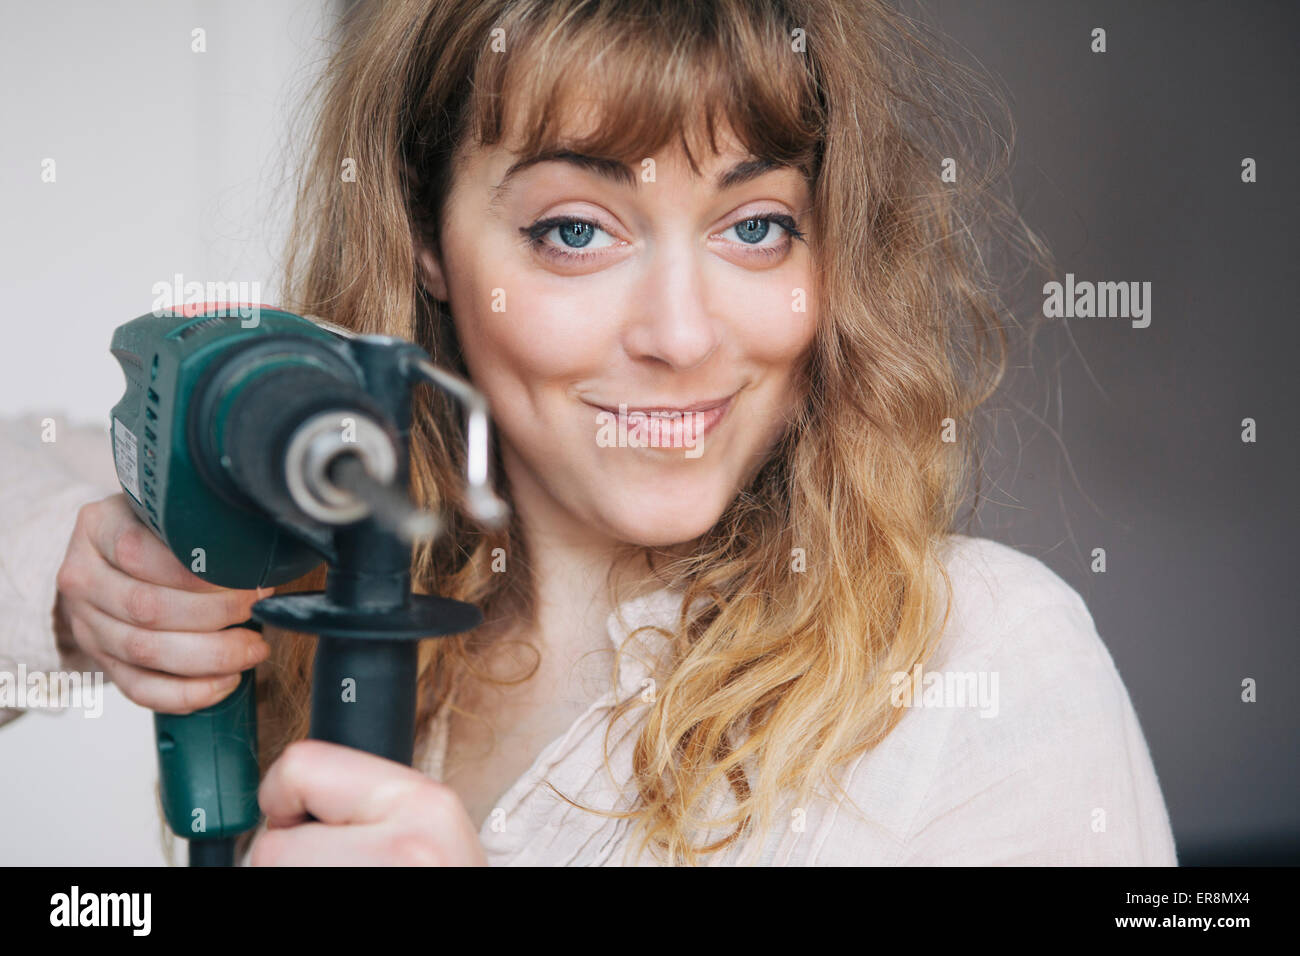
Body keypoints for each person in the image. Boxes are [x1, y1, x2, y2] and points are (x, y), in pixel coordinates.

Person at [2, 0, 1177, 866]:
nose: (681, 333)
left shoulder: (978, 664)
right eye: (576, 231)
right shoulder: (320, 576)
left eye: (757, 226)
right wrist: (75, 568)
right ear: (427, 240)